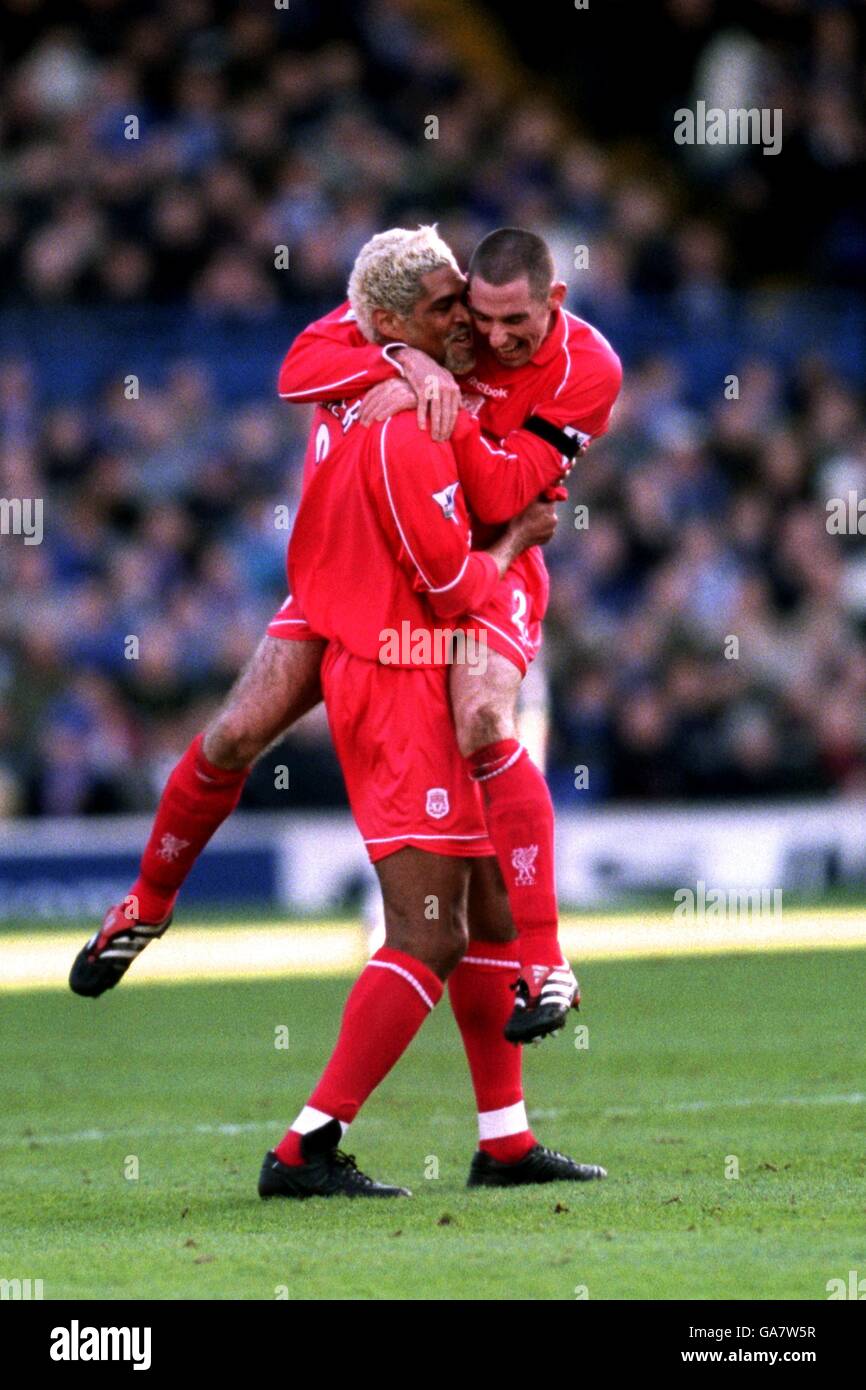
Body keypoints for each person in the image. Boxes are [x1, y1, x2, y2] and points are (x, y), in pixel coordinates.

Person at [258, 228, 605, 1198]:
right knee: (426, 931)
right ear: (399, 322)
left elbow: (495, 493)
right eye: (455, 312)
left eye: (491, 314)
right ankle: (302, 1149)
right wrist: (509, 534)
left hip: (421, 655)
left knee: (486, 898)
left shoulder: (457, 380)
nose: (475, 328)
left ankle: (502, 1140)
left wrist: (416, 371)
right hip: (400, 671)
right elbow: (457, 577)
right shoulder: (405, 418)